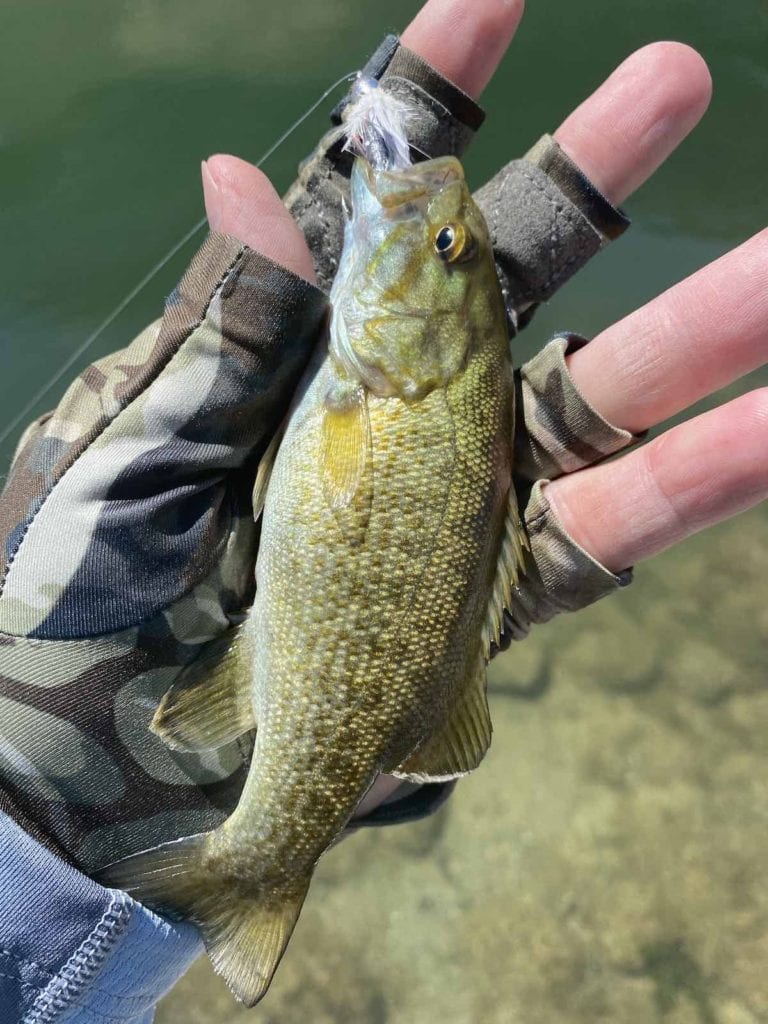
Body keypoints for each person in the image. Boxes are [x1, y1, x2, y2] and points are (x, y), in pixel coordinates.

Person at [0, 0, 765, 1020]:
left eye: (446, 250)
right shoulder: (412, 380)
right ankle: (247, 864)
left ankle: (255, 864)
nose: (441, 234)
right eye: (457, 248)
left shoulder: (401, 387)